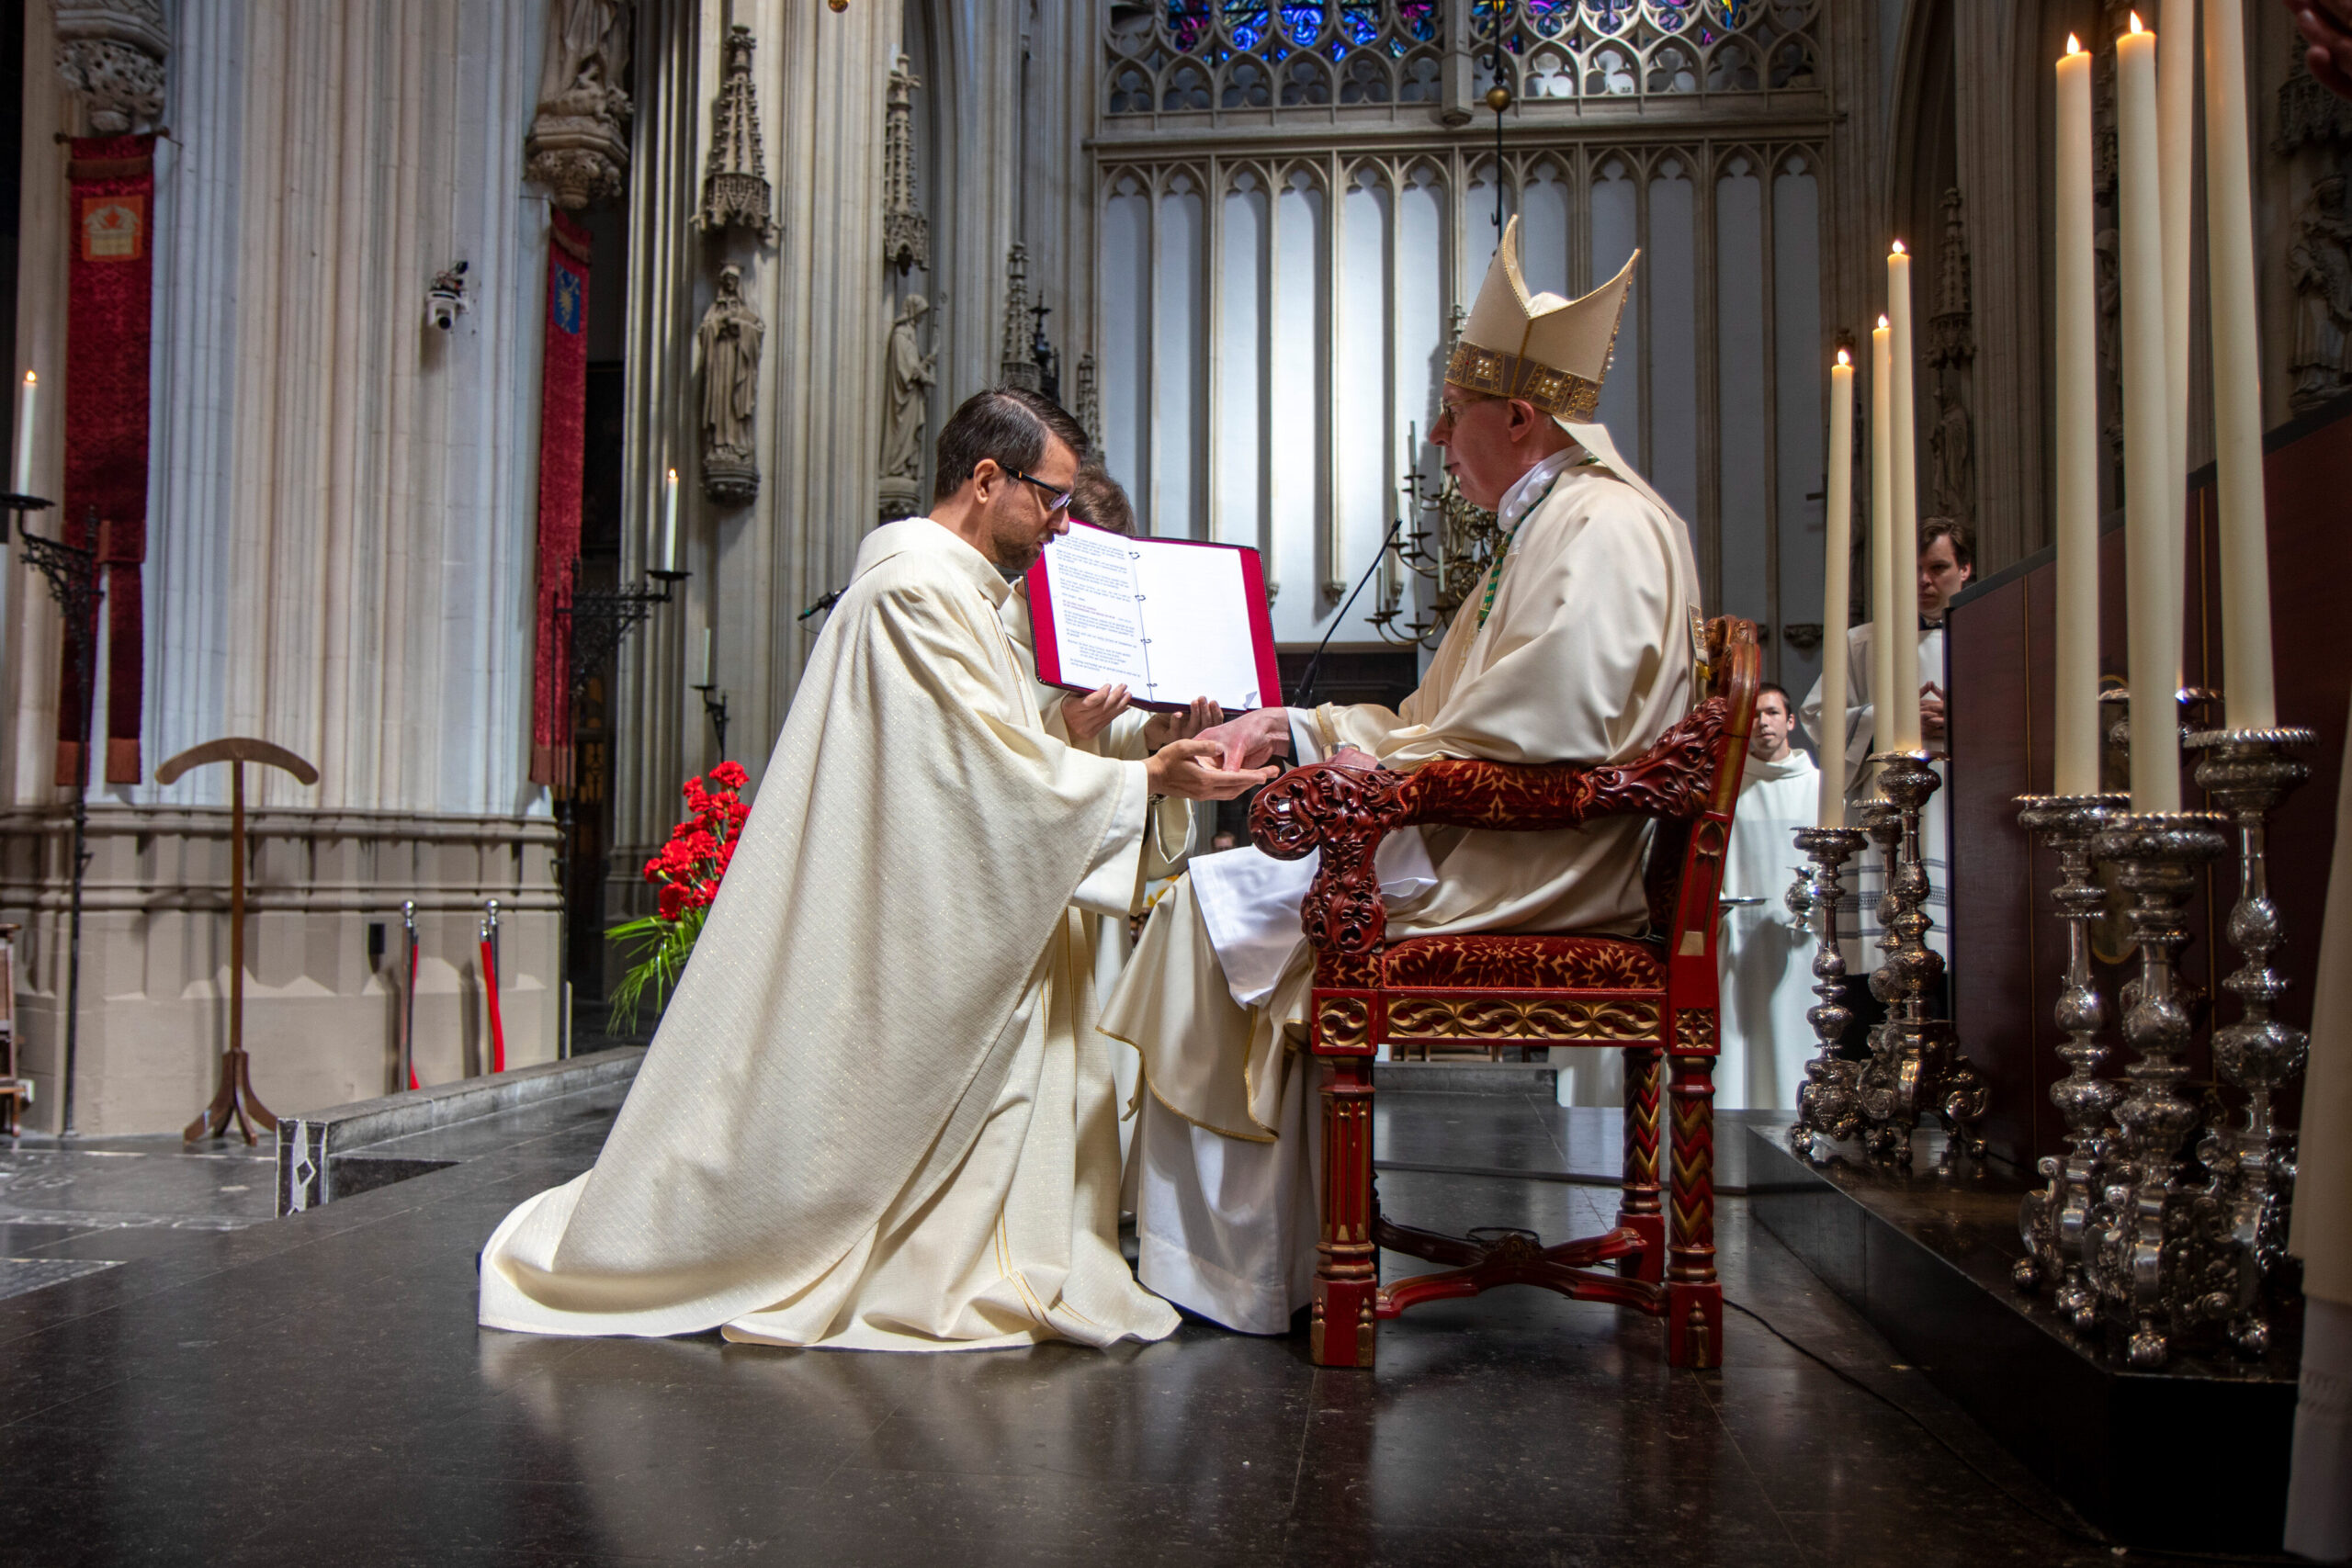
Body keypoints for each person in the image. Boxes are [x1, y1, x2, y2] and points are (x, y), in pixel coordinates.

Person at [478, 388, 1272, 1351]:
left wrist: (1142, 743)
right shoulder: (913, 591)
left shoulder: (969, 594)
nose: (1062, 524)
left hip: (979, 905)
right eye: (1051, 501)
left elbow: (1012, 746)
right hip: (918, 921)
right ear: (986, 480)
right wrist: (1142, 778)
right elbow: (982, 778)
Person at [1099, 218, 1702, 1335]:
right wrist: (1294, 728)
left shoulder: (1602, 527)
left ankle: (1228, 1270)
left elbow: (1548, 732)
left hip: (1534, 869)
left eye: (1452, 415)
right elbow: (1446, 723)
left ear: (1518, 416)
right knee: (1221, 906)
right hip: (1508, 842)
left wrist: (1355, 763)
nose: (1435, 439)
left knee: (1210, 908)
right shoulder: (1549, 528)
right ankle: (1248, 1256)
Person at [1798, 516, 1972, 976]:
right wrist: (1889, 720)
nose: (1924, 581)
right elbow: (1818, 717)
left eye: (1938, 568)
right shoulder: (1864, 642)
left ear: (1965, 569)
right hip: (1884, 815)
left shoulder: (1988, 633)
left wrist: (1964, 718)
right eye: (1914, 569)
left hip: (1961, 808)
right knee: (1883, 968)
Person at [1714, 683, 1819, 1111]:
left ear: (1791, 721)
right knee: (1742, 1030)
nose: (1763, 723)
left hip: (1799, 937)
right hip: (1741, 934)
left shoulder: (1819, 787)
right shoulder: (1727, 789)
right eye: (1755, 715)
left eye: (1773, 713)